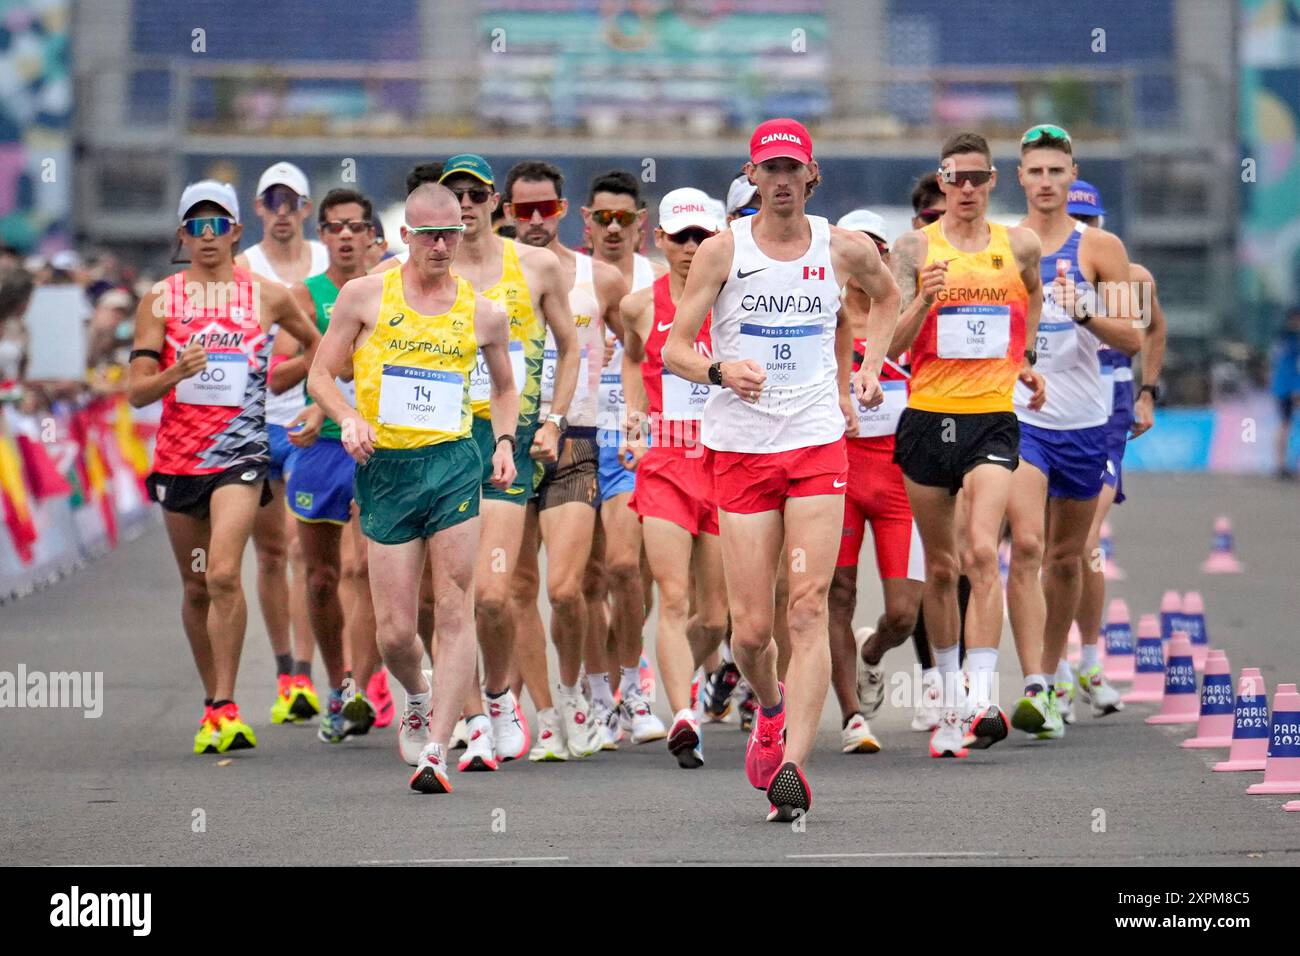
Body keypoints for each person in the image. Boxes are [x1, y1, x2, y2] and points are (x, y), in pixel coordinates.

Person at [664, 118, 900, 820]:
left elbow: (886, 298)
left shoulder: (844, 248)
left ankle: (793, 764)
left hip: (816, 443)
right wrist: (718, 368)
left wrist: (866, 368)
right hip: (741, 447)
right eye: (770, 170)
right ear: (753, 176)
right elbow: (676, 349)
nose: (783, 181)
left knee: (807, 605)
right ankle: (768, 709)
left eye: (793, 169)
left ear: (811, 175)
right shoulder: (722, 253)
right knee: (753, 631)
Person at [307, 182, 519, 793]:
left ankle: (436, 750)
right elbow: (323, 373)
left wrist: (503, 443)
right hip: (385, 469)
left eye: (450, 234)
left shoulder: (483, 311)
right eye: (428, 234)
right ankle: (419, 695)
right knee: (395, 630)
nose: (440, 245)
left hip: (453, 463)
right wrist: (348, 417)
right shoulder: (365, 295)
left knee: (456, 605)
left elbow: (504, 388)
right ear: (405, 236)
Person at [128, 180, 322, 754]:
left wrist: (313, 399)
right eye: (196, 225)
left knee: (221, 574)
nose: (207, 236)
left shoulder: (268, 295)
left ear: (237, 231)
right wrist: (173, 375)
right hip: (177, 461)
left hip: (239, 457)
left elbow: (325, 349)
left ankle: (225, 705)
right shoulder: (160, 299)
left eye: (218, 225)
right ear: (182, 234)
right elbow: (137, 393)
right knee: (194, 588)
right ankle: (212, 696)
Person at [887, 131, 1046, 759]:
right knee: (942, 566)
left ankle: (982, 696)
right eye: (957, 179)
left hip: (991, 420)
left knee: (983, 551)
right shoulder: (913, 248)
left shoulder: (1019, 244)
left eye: (980, 179)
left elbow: (1031, 293)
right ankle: (948, 699)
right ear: (943, 180)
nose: (969, 190)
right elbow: (894, 347)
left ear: (993, 181)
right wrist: (925, 298)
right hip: (927, 417)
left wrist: (1025, 355)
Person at [497, 160, 651, 758]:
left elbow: (637, 352)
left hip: (576, 439)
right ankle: (546, 717)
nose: (535, 221)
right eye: (522, 210)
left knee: (566, 589)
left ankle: (574, 696)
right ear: (506, 213)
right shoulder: (485, 277)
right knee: (515, 587)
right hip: (504, 444)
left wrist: (635, 416)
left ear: (564, 211)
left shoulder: (601, 278)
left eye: (546, 209)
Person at [437, 155, 581, 770]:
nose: (464, 204)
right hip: (436, 448)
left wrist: (554, 419)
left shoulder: (537, 265)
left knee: (494, 594)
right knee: (446, 601)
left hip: (507, 445)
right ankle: (470, 719)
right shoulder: (417, 271)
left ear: (495, 201)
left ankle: (498, 698)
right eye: (453, 196)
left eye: (475, 194)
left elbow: (570, 345)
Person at [1006, 126, 1142, 738]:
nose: (1045, 183)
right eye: (1035, 172)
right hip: (1021, 419)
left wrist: (1083, 308)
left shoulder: (1101, 248)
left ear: (1071, 176)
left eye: (1055, 172)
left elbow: (1133, 337)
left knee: (1066, 557)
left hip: (1085, 422)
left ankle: (1056, 674)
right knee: (1027, 546)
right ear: (1021, 178)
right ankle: (1034, 681)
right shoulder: (1002, 246)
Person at [620, 187, 728, 768]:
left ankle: (693, 675)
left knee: (715, 615)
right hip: (665, 459)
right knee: (673, 596)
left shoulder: (735, 299)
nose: (690, 247)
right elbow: (633, 358)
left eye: (701, 236)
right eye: (679, 236)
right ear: (658, 239)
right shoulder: (640, 304)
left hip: (726, 461)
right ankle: (683, 714)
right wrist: (633, 423)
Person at [270, 188, 378, 743]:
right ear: (324, 236)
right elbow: (278, 377)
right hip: (319, 448)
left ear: (372, 237)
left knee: (366, 570)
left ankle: (364, 684)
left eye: (355, 227)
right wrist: (323, 349)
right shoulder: (305, 294)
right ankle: (338, 685)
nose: (343, 236)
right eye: (333, 227)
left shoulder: (393, 287)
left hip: (379, 444)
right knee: (319, 577)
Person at [825, 209, 925, 754]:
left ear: (884, 258)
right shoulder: (823, 316)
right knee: (837, 594)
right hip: (837, 475)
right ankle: (850, 717)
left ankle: (872, 653)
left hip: (896, 481)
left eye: (877, 249)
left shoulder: (901, 318)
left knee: (905, 613)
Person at [1067, 181, 1167, 714]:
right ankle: (1054, 669)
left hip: (1109, 411)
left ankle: (1087, 659)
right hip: (1050, 412)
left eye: (1093, 223)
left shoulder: (1133, 278)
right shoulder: (1050, 268)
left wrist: (1147, 392)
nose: (1087, 233)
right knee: (1047, 546)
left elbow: (1154, 331)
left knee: (1087, 540)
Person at [235, 161, 329, 724]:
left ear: (307, 208)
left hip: (309, 422)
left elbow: (331, 342)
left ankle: (308, 669)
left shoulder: (323, 262)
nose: (284, 212)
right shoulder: (242, 268)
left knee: (301, 549)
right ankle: (286, 672)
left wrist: (308, 381)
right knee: (270, 553)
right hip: (253, 423)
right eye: (273, 201)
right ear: (258, 208)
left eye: (293, 201)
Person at [581, 169, 666, 737]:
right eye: (603, 218)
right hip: (576, 436)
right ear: (586, 222)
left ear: (642, 225)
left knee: (627, 568)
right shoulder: (569, 278)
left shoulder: (661, 280)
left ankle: (633, 686)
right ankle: (594, 691)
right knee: (584, 581)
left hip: (634, 438)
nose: (614, 229)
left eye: (625, 219)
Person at [1272, 307, 1300, 480]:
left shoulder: (1281, 340)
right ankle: (1283, 465)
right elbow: (1293, 368)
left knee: (1284, 425)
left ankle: (1281, 465)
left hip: (1281, 387)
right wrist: (1296, 389)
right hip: (1291, 388)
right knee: (1286, 426)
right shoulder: (1294, 341)